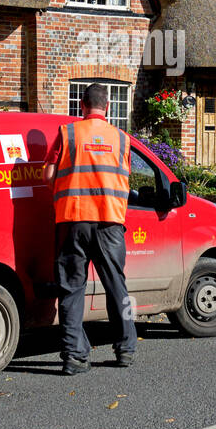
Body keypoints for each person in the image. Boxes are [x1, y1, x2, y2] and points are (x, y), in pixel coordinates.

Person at [43, 83, 137, 375]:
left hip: (73, 219)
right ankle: (126, 349)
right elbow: (125, 176)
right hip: (110, 221)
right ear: (108, 107)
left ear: (81, 105)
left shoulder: (67, 132)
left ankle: (74, 357)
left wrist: (64, 190)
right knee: (117, 286)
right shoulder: (122, 139)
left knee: (71, 288)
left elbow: (48, 174)